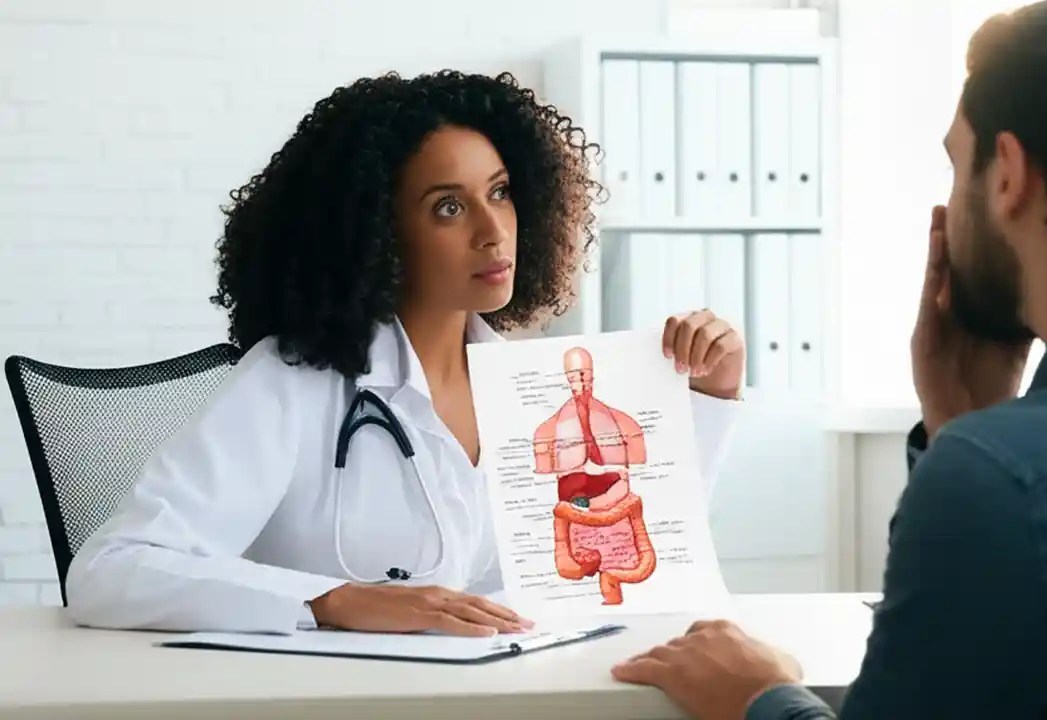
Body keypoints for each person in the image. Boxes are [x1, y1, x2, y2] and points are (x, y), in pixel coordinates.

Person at [612, 1, 1047, 717]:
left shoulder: (1000, 479)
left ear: (1008, 178)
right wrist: (963, 423)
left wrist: (761, 696)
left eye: (958, 166)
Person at [64, 70, 746, 636]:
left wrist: (710, 394)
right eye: (448, 208)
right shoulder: (293, 382)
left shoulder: (533, 389)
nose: (491, 231)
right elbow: (111, 571)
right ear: (375, 233)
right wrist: (329, 600)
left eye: (501, 193)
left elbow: (625, 563)